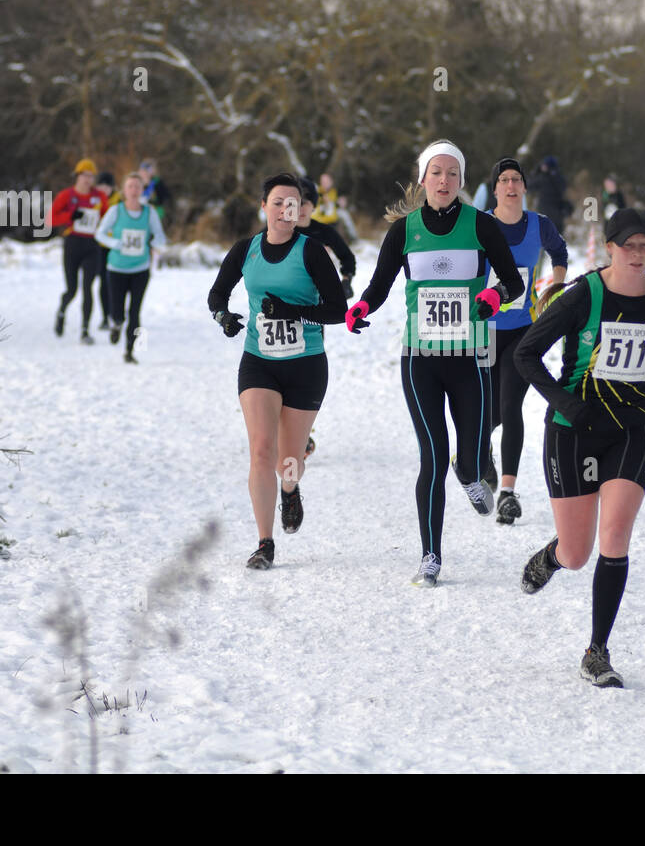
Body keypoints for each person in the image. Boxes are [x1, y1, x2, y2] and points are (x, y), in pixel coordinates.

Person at [514, 208, 645, 688]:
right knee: (577, 553)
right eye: (628, 245)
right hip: (574, 429)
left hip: (632, 429)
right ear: (610, 247)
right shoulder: (583, 296)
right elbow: (525, 355)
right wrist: (565, 404)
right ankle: (553, 557)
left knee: (614, 538)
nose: (637, 254)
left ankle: (597, 651)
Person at [345, 139, 525, 586]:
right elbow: (380, 285)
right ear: (423, 178)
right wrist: (362, 306)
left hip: (471, 359)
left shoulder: (481, 225)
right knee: (432, 456)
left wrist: (494, 296)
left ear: (461, 181)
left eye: (452, 173)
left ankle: (470, 473)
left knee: (471, 455)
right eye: (436, 172)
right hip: (420, 360)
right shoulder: (403, 232)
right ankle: (430, 557)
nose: (444, 181)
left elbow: (514, 282)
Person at [207, 173, 348, 570]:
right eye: (277, 202)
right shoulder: (246, 250)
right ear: (264, 207)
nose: (286, 209)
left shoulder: (311, 252)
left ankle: (290, 488)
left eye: (292, 203)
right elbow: (217, 293)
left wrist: (292, 311)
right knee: (261, 450)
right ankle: (264, 543)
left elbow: (337, 310)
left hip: (306, 365)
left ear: (300, 209)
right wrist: (224, 317)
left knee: (289, 460)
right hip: (259, 362)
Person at [485, 157, 569, 525]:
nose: (511, 185)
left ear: (523, 186)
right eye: (503, 179)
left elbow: (560, 253)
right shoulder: (481, 225)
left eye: (516, 179)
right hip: (483, 331)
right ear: (495, 189)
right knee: (488, 413)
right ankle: (474, 454)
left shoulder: (539, 225)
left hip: (521, 329)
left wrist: (554, 289)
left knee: (510, 406)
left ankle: (507, 492)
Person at [95, 172, 167, 363]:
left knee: (134, 311)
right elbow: (100, 233)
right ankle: (116, 324)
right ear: (124, 190)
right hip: (116, 269)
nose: (134, 190)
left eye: (137, 186)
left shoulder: (149, 212)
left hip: (140, 269)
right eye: (130, 186)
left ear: (143, 190)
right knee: (117, 311)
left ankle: (129, 350)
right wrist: (114, 243)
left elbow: (160, 236)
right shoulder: (116, 210)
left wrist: (153, 243)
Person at [50, 158, 110, 343]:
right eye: (84, 175)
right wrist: (70, 216)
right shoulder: (66, 195)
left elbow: (108, 218)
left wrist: (105, 228)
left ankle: (85, 330)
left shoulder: (100, 197)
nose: (87, 179)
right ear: (77, 176)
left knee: (88, 287)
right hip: (73, 244)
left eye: (91, 176)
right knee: (72, 289)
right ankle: (62, 311)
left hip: (92, 245)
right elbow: (50, 219)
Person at [298, 176, 356, 299]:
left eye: (305, 203)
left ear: (313, 205)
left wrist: (346, 280)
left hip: (315, 296)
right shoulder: (279, 230)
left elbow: (347, 257)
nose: (300, 208)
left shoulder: (322, 231)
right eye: (296, 203)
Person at [94, 171, 118, 331]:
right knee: (103, 282)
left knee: (117, 282)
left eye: (107, 186)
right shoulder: (94, 200)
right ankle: (105, 316)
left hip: (116, 246)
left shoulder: (120, 201)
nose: (104, 189)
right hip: (100, 247)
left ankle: (116, 313)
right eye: (101, 186)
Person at [528, 156, 570, 227]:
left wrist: (535, 172)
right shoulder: (559, 177)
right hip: (558, 213)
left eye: (544, 165)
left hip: (545, 212)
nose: (542, 167)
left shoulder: (543, 179)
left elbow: (528, 186)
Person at [138, 159, 172, 226]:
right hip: (141, 214)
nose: (143, 174)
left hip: (156, 214)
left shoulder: (157, 183)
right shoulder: (136, 182)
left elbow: (161, 199)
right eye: (142, 171)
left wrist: (148, 186)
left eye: (145, 172)